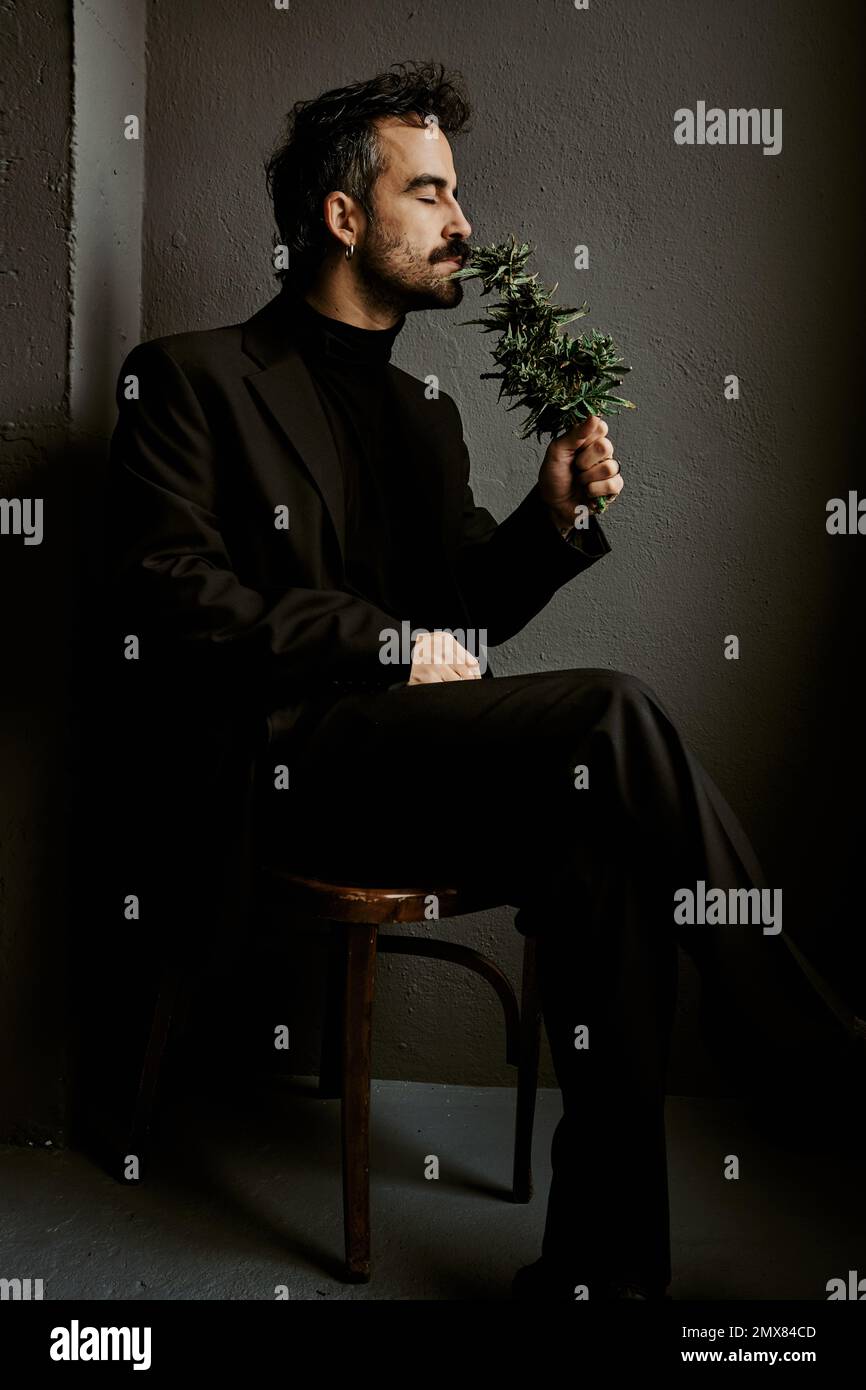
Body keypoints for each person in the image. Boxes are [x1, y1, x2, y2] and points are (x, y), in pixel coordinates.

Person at [100, 61, 857, 1300]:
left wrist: (545, 525)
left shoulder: (425, 413)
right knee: (608, 708)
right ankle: (804, 1056)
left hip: (410, 762)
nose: (464, 226)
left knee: (601, 846)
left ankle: (601, 1267)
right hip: (280, 772)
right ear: (343, 217)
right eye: (432, 193)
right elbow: (166, 595)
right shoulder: (188, 377)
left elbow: (458, 617)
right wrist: (374, 641)